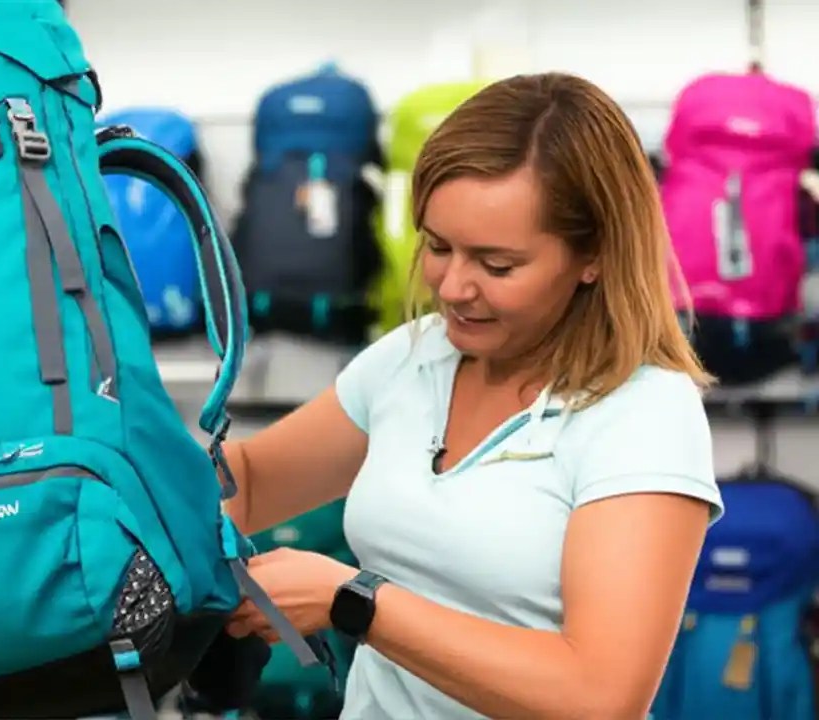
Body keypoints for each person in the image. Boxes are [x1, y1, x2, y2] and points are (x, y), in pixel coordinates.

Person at [222, 71, 724, 720]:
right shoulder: (417, 354)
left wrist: (357, 602)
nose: (452, 286)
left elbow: (600, 697)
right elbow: (253, 480)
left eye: (496, 265)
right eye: (438, 247)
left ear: (593, 255)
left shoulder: (643, 414)